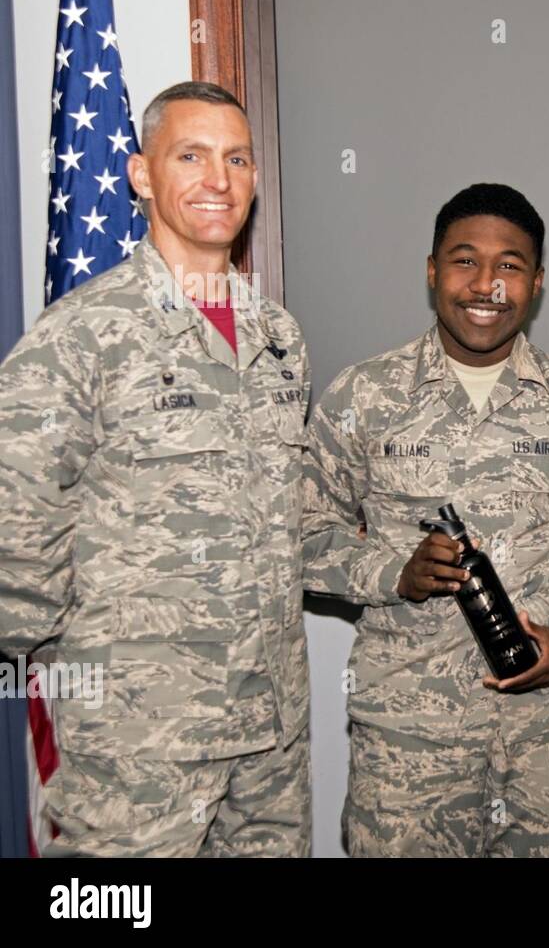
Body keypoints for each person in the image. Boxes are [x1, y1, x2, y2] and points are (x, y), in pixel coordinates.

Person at [0, 81, 311, 856]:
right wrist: (50, 656)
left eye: (237, 158)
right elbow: (17, 508)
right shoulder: (84, 334)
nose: (219, 180)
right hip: (142, 736)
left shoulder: (277, 336)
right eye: (192, 155)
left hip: (272, 731)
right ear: (141, 175)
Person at [302, 183, 549, 856]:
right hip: (408, 745)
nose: (485, 284)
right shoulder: (363, 396)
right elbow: (304, 533)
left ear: (537, 282)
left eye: (510, 265)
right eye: (464, 261)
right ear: (431, 271)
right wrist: (392, 571)